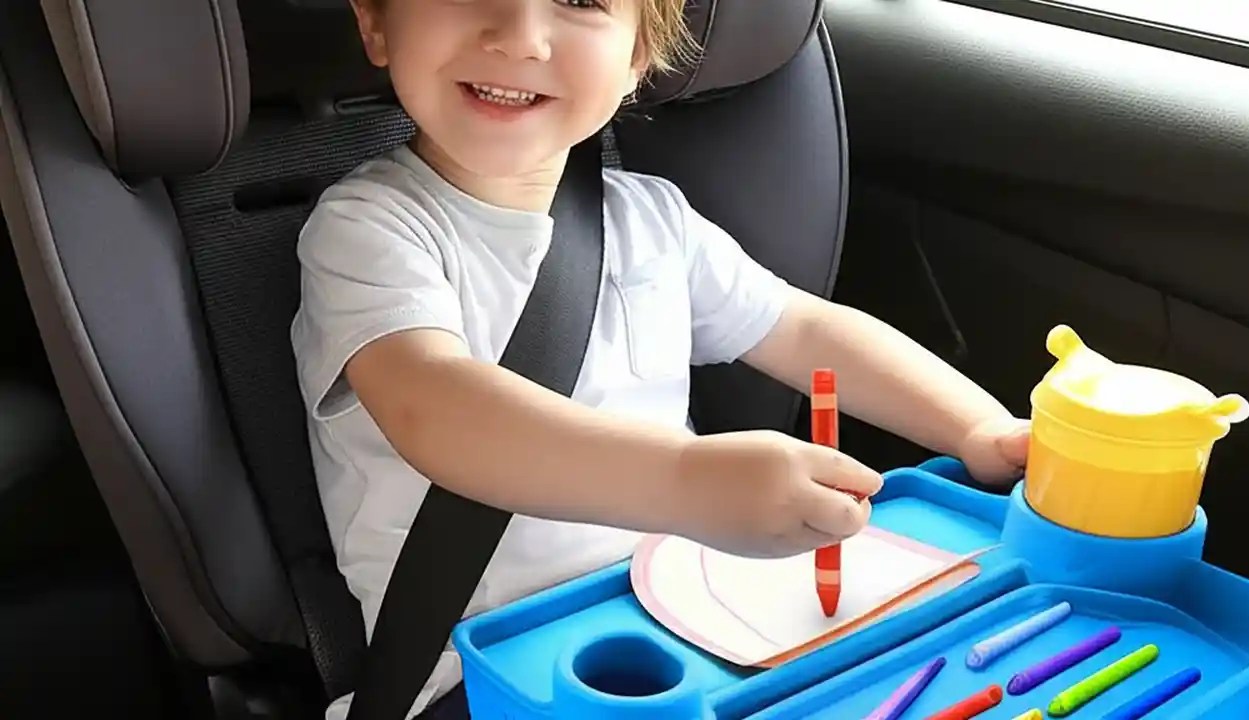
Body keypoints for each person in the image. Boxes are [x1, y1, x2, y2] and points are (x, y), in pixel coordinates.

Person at [290, 0, 1031, 717]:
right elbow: (436, 407)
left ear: (637, 56)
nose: (519, 35)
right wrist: (689, 482)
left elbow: (807, 332)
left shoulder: (654, 223)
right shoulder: (368, 230)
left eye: (580, 1)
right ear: (375, 20)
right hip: (485, 672)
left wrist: (978, 431)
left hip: (700, 619)